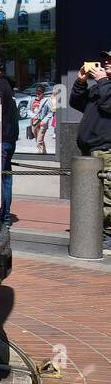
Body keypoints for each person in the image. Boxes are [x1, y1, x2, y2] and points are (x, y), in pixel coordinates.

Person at [70, 50, 111, 249]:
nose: (106, 62)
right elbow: (77, 103)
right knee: (92, 195)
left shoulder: (105, 86)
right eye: (106, 60)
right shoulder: (102, 86)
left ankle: (108, 234)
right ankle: (97, 232)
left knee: (107, 195)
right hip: (91, 149)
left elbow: (108, 105)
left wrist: (102, 81)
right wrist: (80, 82)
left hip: (106, 149)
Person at [0, 72, 18, 225]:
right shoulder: (9, 86)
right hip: (9, 139)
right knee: (6, 178)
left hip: (1, 139)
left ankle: (1, 217)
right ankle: (4, 217)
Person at [34, 85, 60, 154]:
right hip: (34, 122)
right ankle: (44, 152)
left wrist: (44, 121)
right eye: (37, 92)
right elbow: (29, 109)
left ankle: (39, 153)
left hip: (43, 123)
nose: (37, 93)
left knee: (39, 140)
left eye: (39, 92)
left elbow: (50, 112)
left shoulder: (47, 100)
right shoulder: (33, 99)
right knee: (38, 139)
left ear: (43, 93)